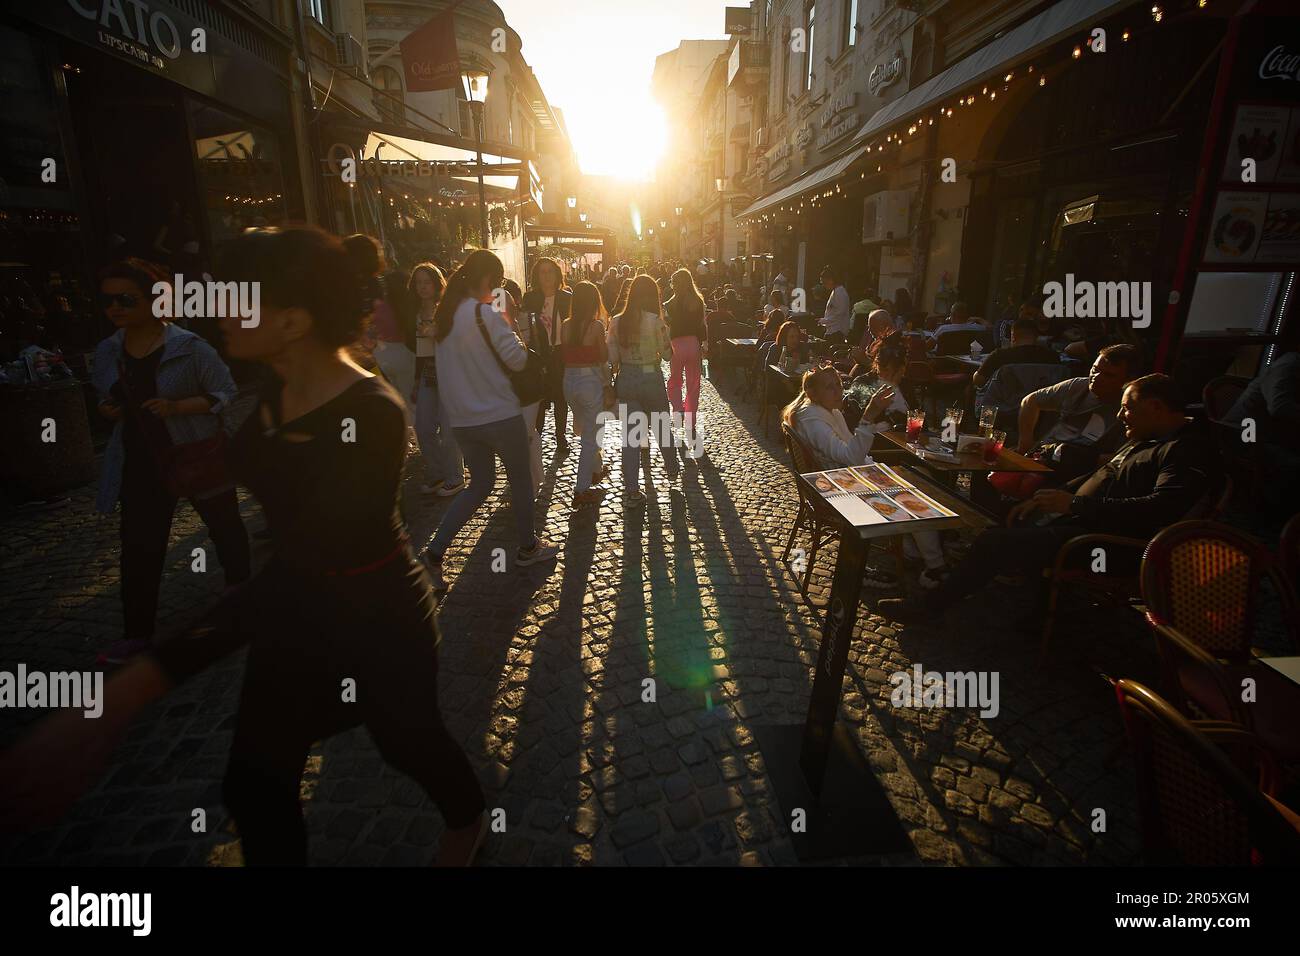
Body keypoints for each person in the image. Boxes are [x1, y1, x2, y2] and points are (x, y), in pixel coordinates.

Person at [7, 227, 488, 865]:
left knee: (407, 742)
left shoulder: (370, 414)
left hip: (380, 622)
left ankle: (469, 819)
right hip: (295, 623)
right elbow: (273, 511)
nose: (218, 308)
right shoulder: (274, 396)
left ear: (291, 319)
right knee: (254, 781)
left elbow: (296, 571)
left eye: (239, 297)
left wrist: (126, 692)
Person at [879, 373, 1220, 625]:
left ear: (1155, 407)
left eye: (1128, 408)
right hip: (1079, 520)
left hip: (1109, 543)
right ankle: (1004, 583)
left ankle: (929, 606)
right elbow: (1102, 476)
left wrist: (1073, 504)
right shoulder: (1148, 437)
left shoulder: (1186, 449)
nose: (1120, 416)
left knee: (995, 541)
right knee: (991, 500)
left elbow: (1159, 509)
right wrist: (1053, 496)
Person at [92, 258, 251, 664]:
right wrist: (109, 408)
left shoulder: (190, 347)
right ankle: (137, 633)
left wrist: (180, 407)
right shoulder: (109, 351)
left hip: (194, 451)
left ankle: (241, 592)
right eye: (109, 299)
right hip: (140, 460)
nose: (116, 307)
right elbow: (105, 395)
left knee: (224, 525)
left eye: (126, 298)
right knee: (139, 546)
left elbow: (225, 392)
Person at [419, 250, 560, 590]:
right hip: (499, 413)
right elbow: (516, 360)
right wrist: (513, 330)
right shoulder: (485, 314)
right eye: (495, 283)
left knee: (480, 485)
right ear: (486, 281)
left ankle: (434, 553)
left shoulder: (446, 317)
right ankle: (528, 547)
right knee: (521, 480)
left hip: (464, 420)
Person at [784, 356, 949, 588]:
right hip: (837, 489)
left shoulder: (825, 411)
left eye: (839, 384)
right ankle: (934, 566)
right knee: (916, 489)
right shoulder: (813, 420)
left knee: (920, 475)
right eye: (830, 387)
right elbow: (851, 456)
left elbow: (853, 453)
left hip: (842, 478)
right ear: (813, 393)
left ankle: (915, 550)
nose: (838, 391)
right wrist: (869, 416)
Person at [1014, 343, 1140, 481]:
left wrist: (1075, 460)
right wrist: (1025, 442)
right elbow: (1030, 401)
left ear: (1128, 381)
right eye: (1095, 369)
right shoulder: (1077, 386)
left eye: (1108, 375)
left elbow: (1122, 459)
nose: (1096, 377)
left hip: (1075, 475)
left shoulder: (1131, 410)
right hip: (1039, 456)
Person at [609, 274, 676, 505]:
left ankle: (632, 490)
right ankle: (672, 469)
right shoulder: (656, 321)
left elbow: (612, 357)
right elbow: (667, 355)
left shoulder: (617, 321)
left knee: (631, 438)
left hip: (627, 378)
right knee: (662, 427)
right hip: (651, 377)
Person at [408, 262, 465, 496]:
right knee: (423, 426)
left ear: (436, 283)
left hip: (448, 372)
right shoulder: (415, 314)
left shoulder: (446, 309)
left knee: (449, 429)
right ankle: (436, 472)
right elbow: (420, 351)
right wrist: (415, 379)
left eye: (426, 282)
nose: (423, 287)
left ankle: (455, 475)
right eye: (418, 283)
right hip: (427, 374)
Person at [343, 234, 414, 414]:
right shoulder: (391, 282)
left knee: (379, 406)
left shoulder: (346, 288)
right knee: (410, 403)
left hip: (368, 356)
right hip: (400, 350)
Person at [562, 281, 613, 506]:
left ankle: (596, 470)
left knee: (586, 429)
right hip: (589, 381)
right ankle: (581, 489)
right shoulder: (596, 327)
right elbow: (602, 357)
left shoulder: (565, 325)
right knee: (590, 439)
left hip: (568, 381)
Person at [522, 257, 572, 457]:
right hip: (538, 354)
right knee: (540, 398)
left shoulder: (566, 297)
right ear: (536, 276)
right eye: (542, 271)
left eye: (550, 271)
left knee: (561, 397)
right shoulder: (530, 298)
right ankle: (537, 437)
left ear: (557, 274)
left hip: (561, 352)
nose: (547, 275)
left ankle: (561, 436)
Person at [501, 278, 545, 499]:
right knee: (525, 434)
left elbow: (535, 350)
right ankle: (535, 476)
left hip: (528, 385)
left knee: (525, 433)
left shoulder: (527, 320)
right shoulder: (489, 327)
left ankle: (530, 482)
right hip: (506, 387)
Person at [664, 268, 708, 454]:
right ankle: (691, 422)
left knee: (674, 381)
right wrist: (704, 345)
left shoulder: (669, 304)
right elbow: (702, 325)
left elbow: (666, 327)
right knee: (693, 385)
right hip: (693, 343)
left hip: (676, 345)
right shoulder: (698, 301)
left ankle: (678, 408)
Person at [971, 316, 1060, 389]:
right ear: (1037, 336)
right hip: (1040, 405)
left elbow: (978, 380)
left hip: (1003, 405)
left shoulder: (1000, 356)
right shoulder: (1052, 356)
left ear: (1013, 337)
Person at [816, 266, 852, 343]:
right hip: (832, 330)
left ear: (831, 280)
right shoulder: (835, 291)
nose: (823, 285)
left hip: (836, 333)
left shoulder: (840, 293)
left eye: (824, 282)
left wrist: (823, 321)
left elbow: (838, 315)